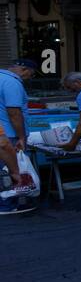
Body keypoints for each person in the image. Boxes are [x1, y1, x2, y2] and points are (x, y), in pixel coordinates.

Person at [0, 58, 37, 195]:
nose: (29, 78)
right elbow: (14, 113)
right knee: (10, 171)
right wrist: (21, 137)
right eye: (31, 74)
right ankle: (7, 204)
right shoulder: (12, 83)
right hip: (9, 136)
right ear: (24, 70)